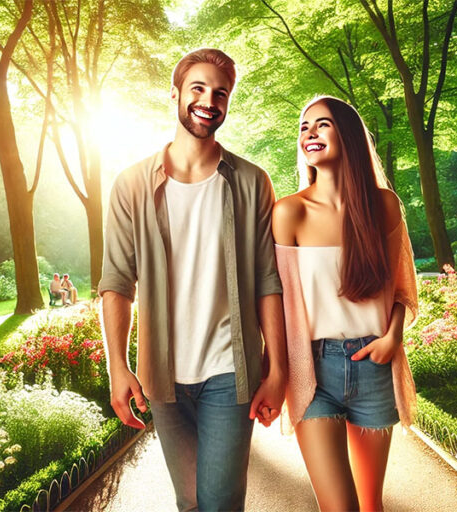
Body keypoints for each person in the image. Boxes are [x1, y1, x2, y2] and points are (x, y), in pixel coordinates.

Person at [99, 48, 288, 512]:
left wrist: (278, 369)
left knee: (219, 503)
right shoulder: (131, 185)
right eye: (198, 88)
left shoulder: (251, 182)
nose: (209, 100)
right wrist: (117, 367)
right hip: (162, 376)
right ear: (176, 95)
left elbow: (269, 280)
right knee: (190, 503)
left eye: (220, 93)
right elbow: (116, 283)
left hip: (230, 370)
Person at [272, 96, 419, 512]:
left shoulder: (384, 205)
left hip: (373, 364)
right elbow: (279, 302)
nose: (310, 133)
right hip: (312, 371)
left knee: (371, 507)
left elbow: (401, 287)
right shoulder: (289, 212)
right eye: (304, 127)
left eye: (323, 124)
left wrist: (393, 337)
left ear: (349, 135)